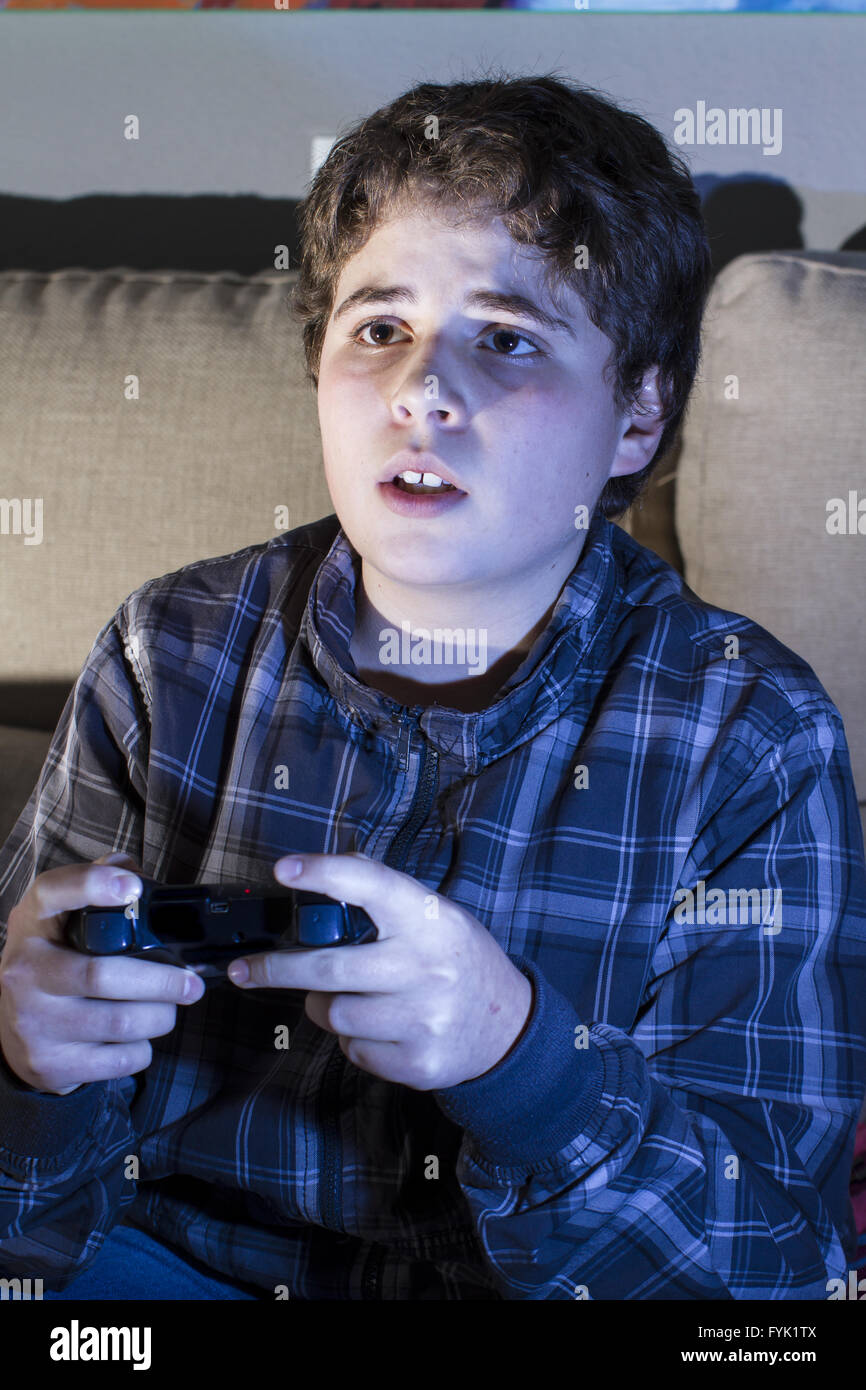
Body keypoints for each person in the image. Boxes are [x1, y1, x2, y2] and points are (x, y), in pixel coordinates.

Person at [1, 73, 865, 1302]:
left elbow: (774, 1283)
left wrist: (516, 1055)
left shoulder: (751, 736)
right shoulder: (168, 651)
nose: (418, 390)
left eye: (505, 338)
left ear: (635, 417)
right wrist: (26, 1065)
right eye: (377, 327)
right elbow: (27, 1232)